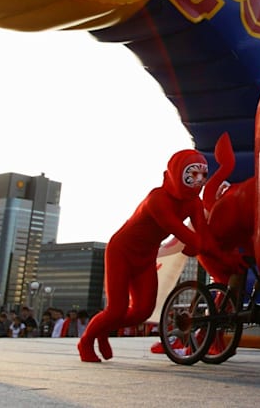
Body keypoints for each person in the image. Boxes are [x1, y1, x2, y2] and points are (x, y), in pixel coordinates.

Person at [77, 150, 208, 363]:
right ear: (177, 174)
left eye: (203, 175)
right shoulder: (158, 199)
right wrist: (197, 243)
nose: (199, 181)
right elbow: (179, 230)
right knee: (116, 309)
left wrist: (203, 243)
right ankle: (86, 340)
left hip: (146, 256)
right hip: (121, 251)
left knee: (142, 311)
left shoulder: (194, 202)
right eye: (193, 174)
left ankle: (103, 329)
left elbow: (202, 234)